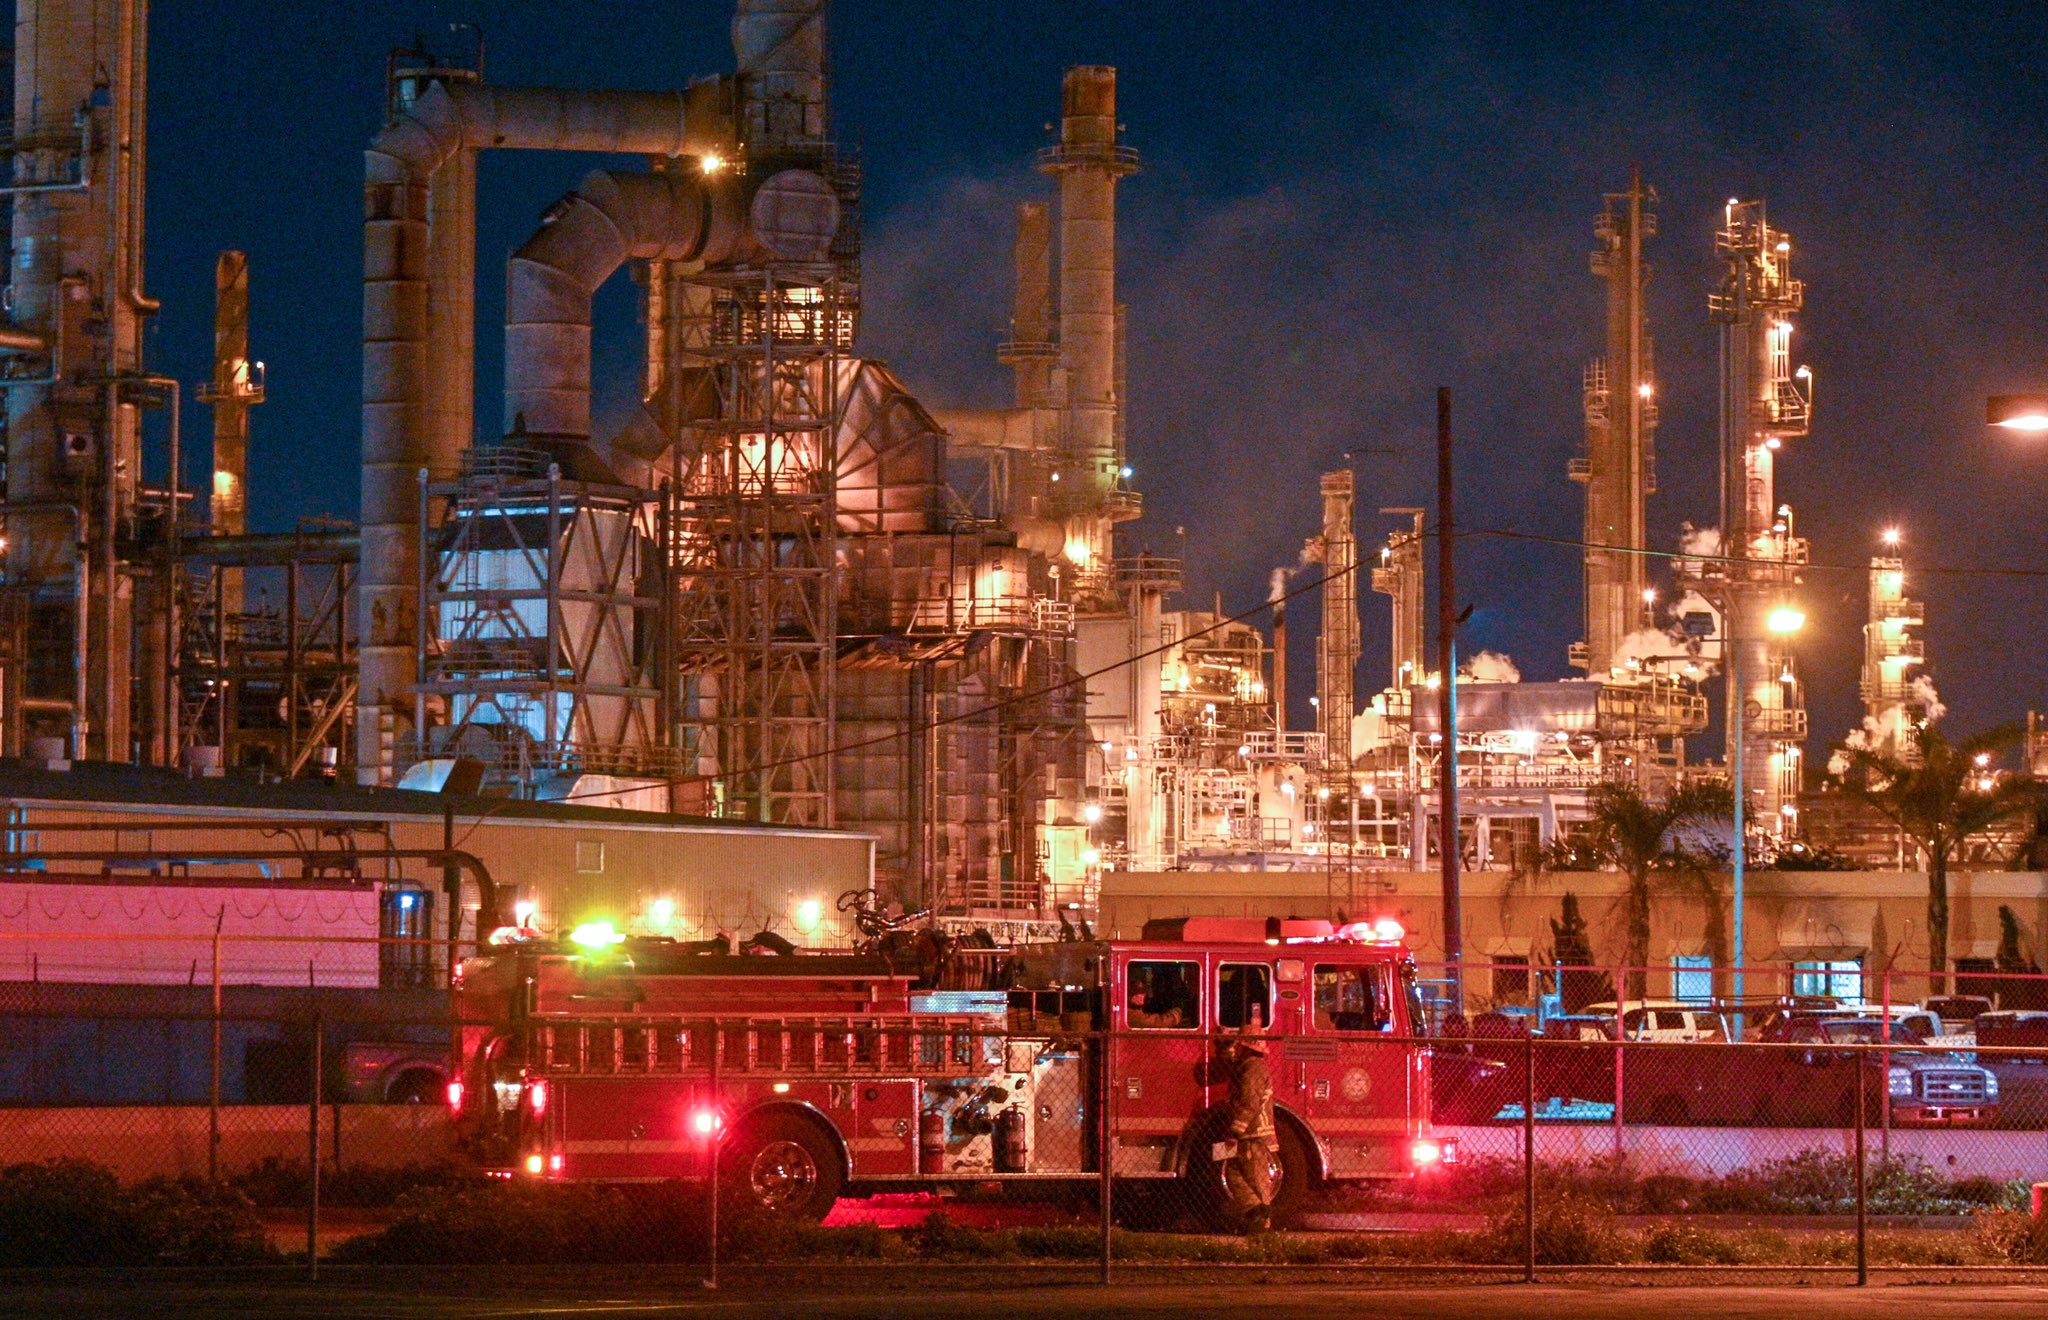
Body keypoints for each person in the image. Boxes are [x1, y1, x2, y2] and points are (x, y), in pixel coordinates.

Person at [1220, 1024, 1277, 1231]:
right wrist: (1224, 1044)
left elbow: (1249, 1102)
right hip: (1246, 1133)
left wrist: (1235, 1131)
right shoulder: (1247, 1065)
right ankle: (1256, 1213)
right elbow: (1231, 1064)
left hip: (1252, 1135)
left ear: (1245, 1046)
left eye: (1238, 1044)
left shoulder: (1253, 1068)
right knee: (1231, 1170)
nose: (1236, 1048)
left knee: (1256, 1179)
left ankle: (1263, 1225)